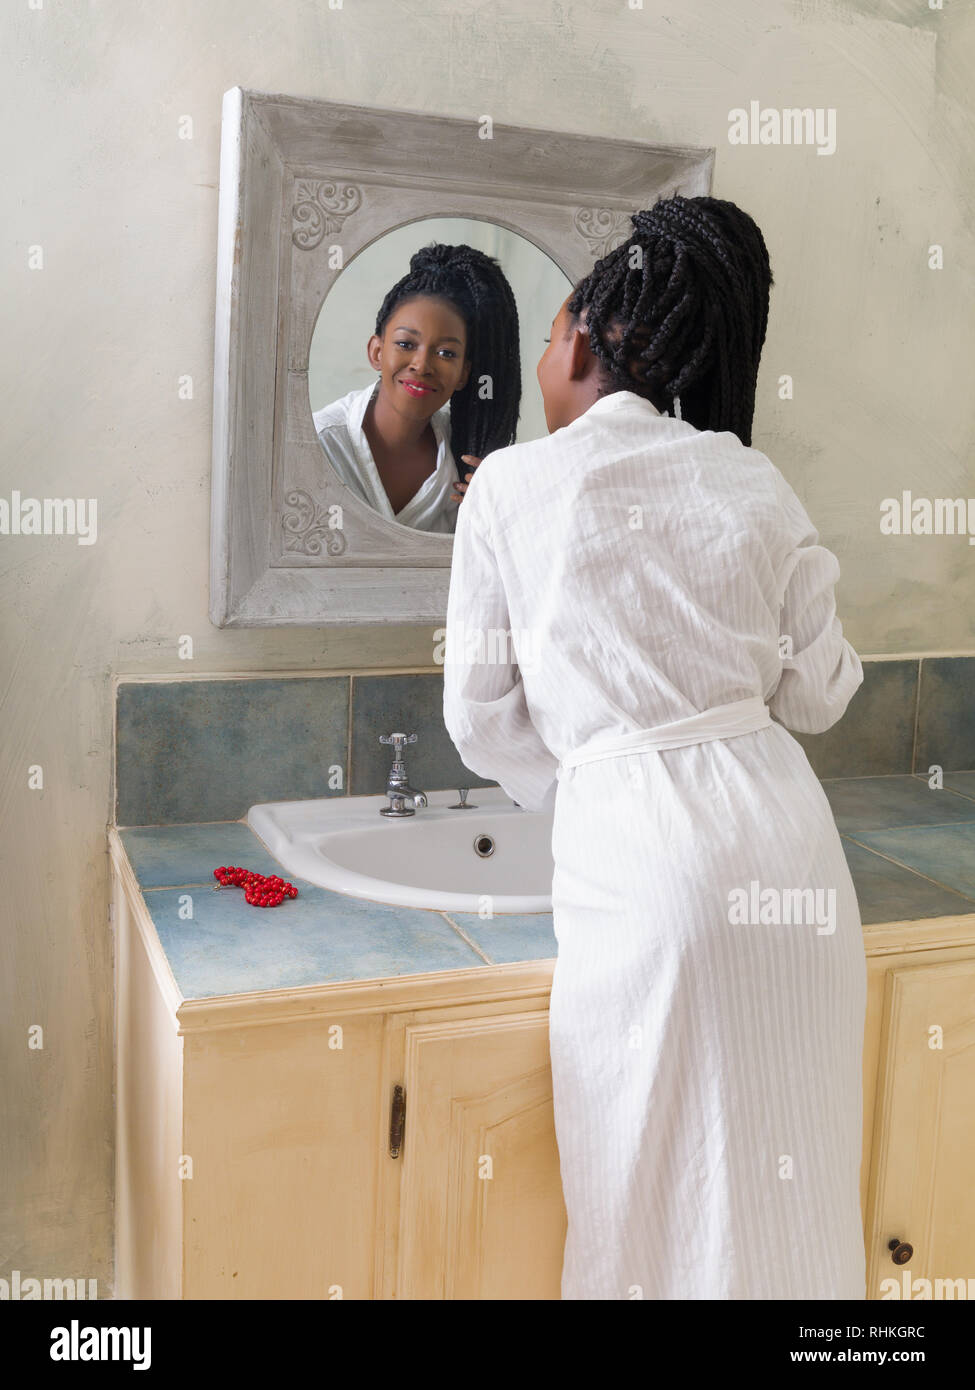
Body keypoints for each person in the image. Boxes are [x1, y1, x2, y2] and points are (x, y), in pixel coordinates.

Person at [442, 194, 867, 1300]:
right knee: (791, 1195)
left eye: (545, 335)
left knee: (650, 1205)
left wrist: (593, 775)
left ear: (580, 337)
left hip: (648, 869)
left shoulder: (515, 486)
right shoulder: (750, 476)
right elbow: (821, 693)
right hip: (797, 862)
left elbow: (479, 715)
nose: (541, 354)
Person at [312, 243, 521, 532]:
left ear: (463, 374)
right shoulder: (321, 444)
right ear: (376, 351)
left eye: (447, 353)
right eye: (406, 344)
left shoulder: (469, 465)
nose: (422, 365)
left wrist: (497, 515)